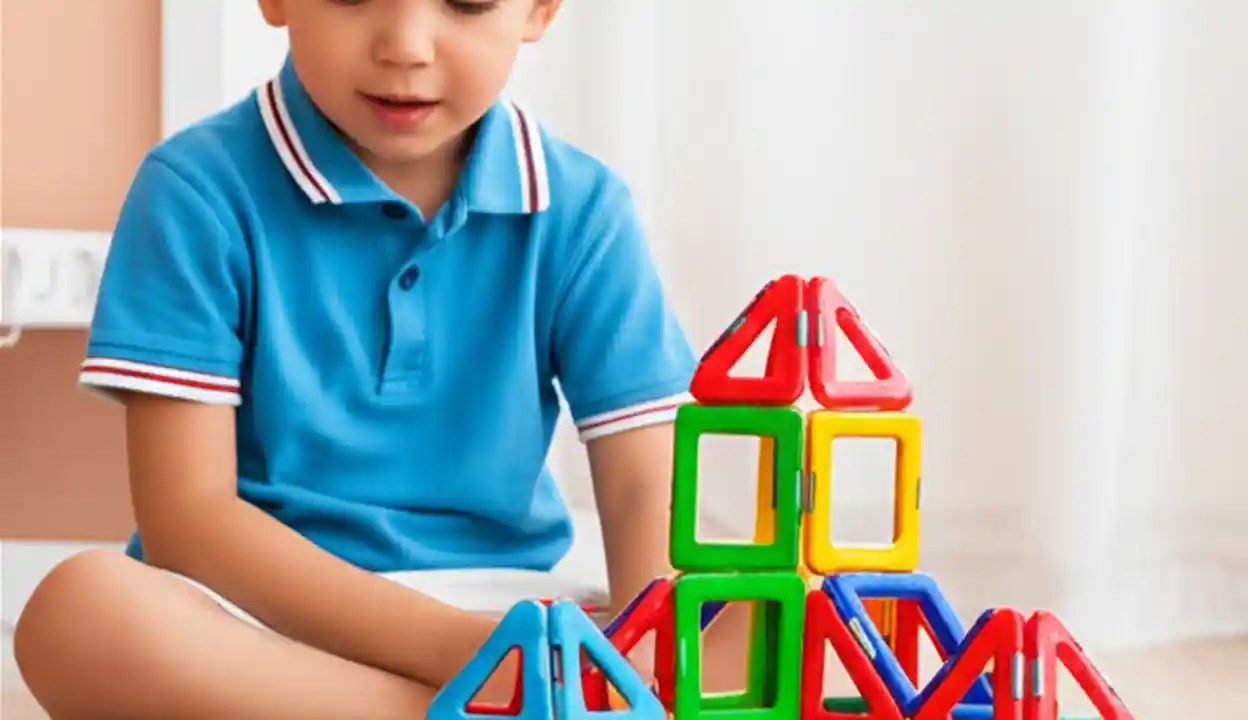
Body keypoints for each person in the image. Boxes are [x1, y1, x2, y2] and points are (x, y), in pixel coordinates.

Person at [13, 1, 752, 717]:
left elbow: (642, 490)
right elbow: (189, 520)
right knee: (79, 611)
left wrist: (643, 661)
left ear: (540, 9)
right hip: (270, 626)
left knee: (797, 608)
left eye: (466, 2)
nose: (406, 45)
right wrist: (475, 657)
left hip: (514, 610)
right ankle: (460, 709)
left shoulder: (585, 208)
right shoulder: (194, 191)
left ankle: (521, 701)